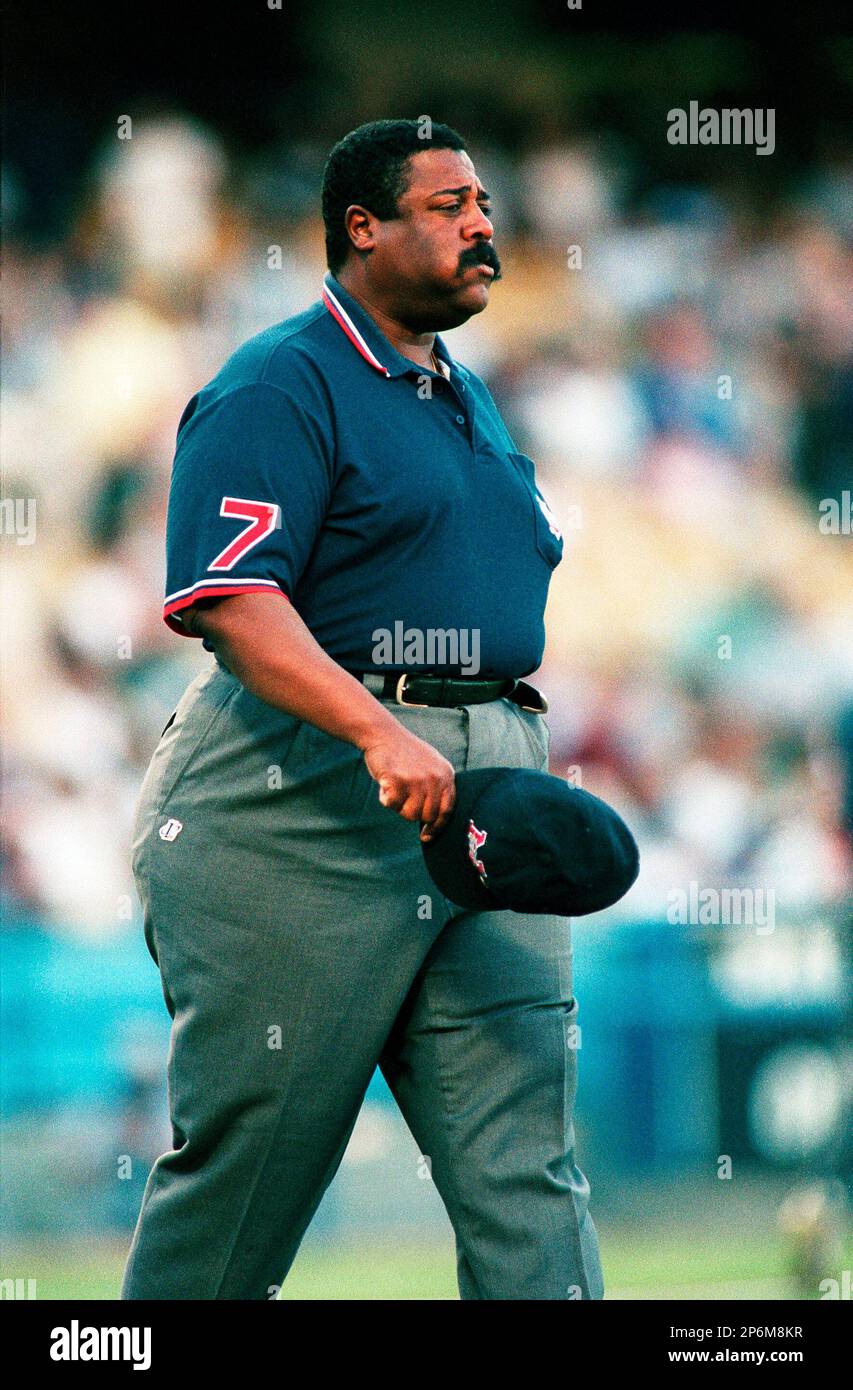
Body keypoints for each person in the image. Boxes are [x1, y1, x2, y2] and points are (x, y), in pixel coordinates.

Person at [121, 119, 603, 1301]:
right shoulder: (279, 381)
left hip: (476, 788)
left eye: (486, 201)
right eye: (448, 204)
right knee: (249, 1178)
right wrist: (382, 727)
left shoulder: (463, 394)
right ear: (362, 227)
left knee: (523, 1165)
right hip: (301, 796)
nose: (482, 222)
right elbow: (230, 599)